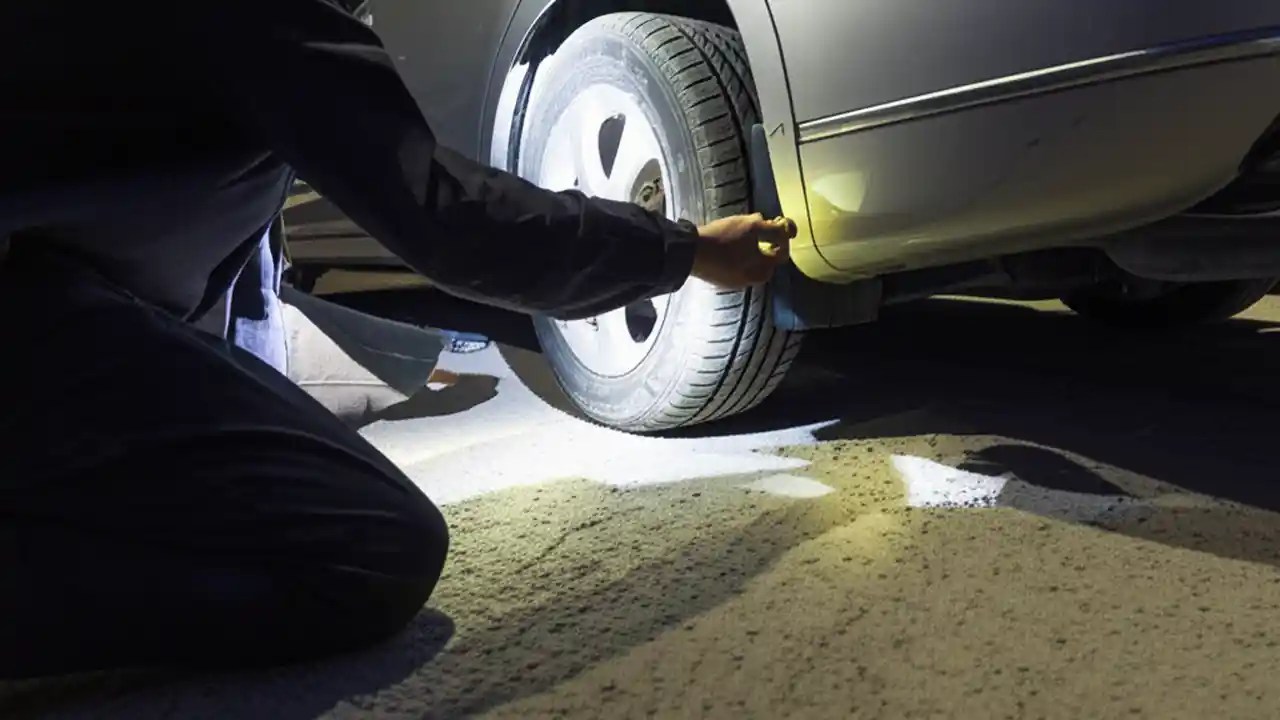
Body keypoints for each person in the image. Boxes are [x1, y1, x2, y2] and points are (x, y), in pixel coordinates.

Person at [0, 0, 794, 679]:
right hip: (38, 322)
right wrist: (683, 250)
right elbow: (453, 220)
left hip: (69, 307)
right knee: (379, 549)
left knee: (393, 373)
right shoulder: (262, 16)